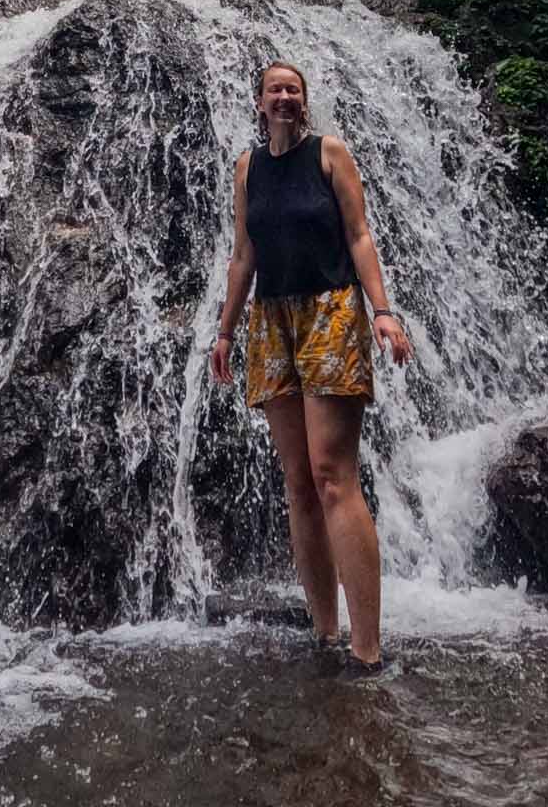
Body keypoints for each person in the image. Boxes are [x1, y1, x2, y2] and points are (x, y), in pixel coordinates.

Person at [209, 61, 410, 673]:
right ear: (259, 102)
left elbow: (360, 236)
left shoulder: (329, 153)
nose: (285, 97)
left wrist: (383, 311)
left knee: (331, 474)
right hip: (271, 320)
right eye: (275, 89)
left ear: (304, 100)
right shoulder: (247, 167)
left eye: (293, 89)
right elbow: (243, 255)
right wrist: (224, 331)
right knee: (298, 481)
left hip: (331, 310)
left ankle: (367, 649)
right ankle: (324, 633)